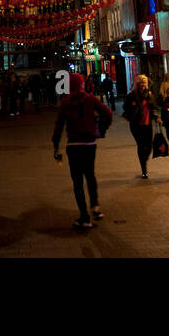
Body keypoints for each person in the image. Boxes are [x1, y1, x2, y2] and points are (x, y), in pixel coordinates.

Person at [51, 72, 113, 229]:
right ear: (82, 83)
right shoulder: (90, 99)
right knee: (90, 175)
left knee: (77, 181)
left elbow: (58, 125)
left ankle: (84, 217)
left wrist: (56, 144)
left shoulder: (65, 102)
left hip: (73, 145)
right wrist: (100, 128)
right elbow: (108, 113)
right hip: (89, 143)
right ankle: (95, 207)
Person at [123, 75, 157, 178]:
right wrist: (133, 112)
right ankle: (144, 169)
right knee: (141, 145)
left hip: (148, 124)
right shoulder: (132, 95)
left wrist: (156, 117)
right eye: (141, 82)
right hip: (136, 125)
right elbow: (125, 107)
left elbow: (153, 107)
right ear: (137, 84)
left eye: (144, 82)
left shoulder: (149, 94)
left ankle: (144, 159)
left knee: (149, 146)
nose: (143, 84)